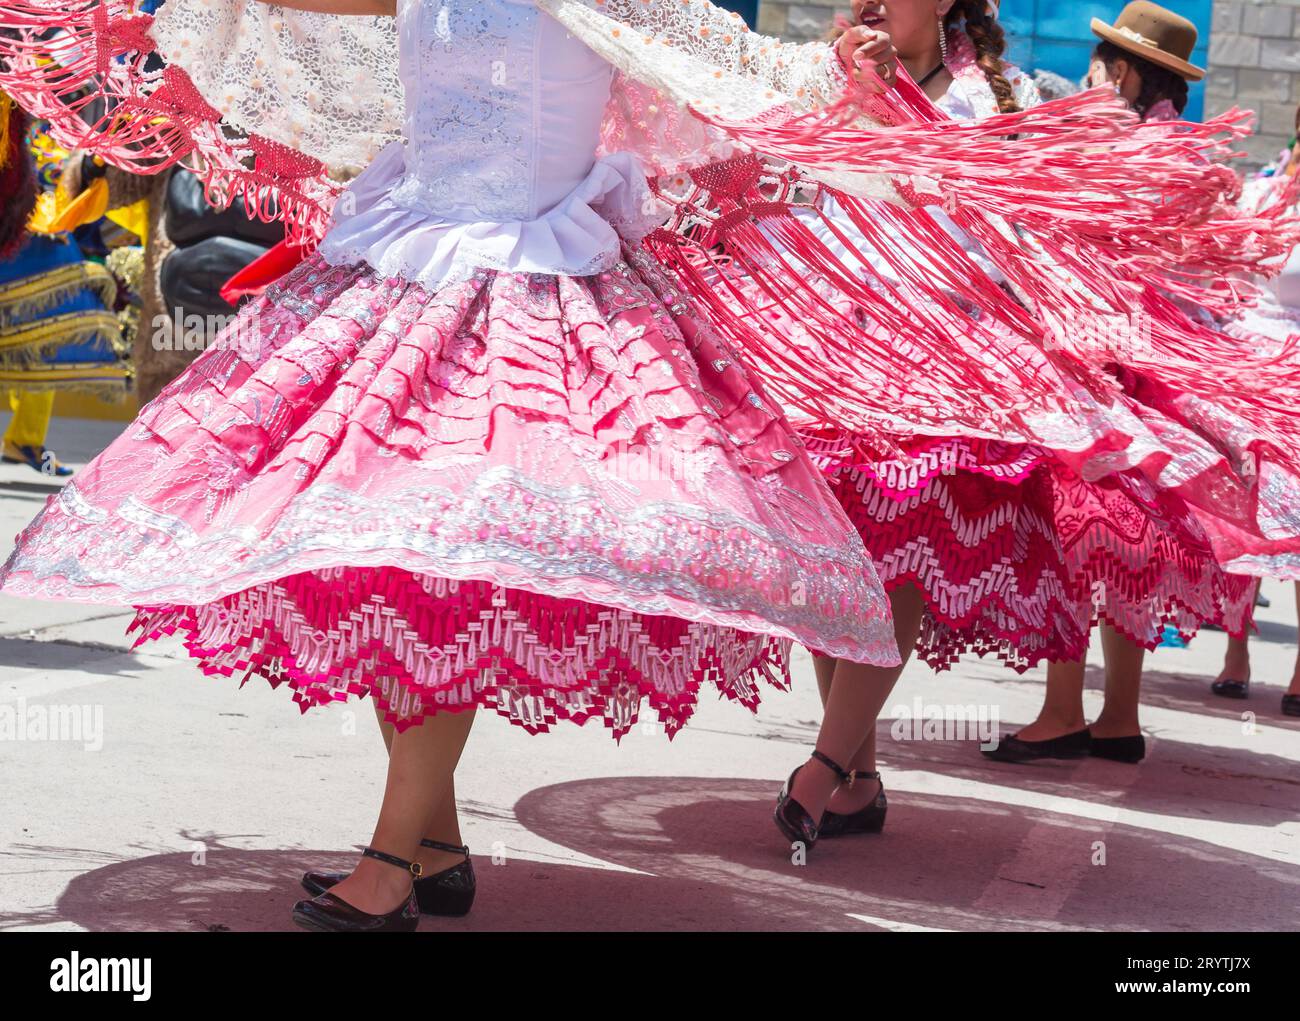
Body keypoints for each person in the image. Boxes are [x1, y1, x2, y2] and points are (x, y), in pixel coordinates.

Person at [0, 91, 130, 476]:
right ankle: (24, 440)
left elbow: (66, 187)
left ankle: (24, 440)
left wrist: (88, 169)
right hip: (30, 240)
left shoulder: (51, 123)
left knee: (45, 346)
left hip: (39, 244)